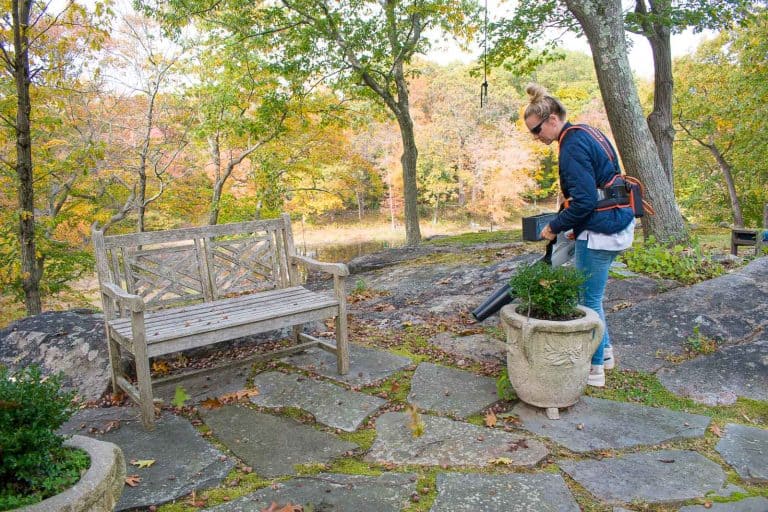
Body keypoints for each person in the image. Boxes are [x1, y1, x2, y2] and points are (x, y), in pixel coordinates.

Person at [524, 83, 635, 387]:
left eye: (536, 130)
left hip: (602, 231)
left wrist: (555, 226)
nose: (537, 138)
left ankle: (594, 368)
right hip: (616, 223)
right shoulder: (588, 132)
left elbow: (585, 200)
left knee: (588, 302)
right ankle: (607, 353)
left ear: (552, 120)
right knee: (595, 297)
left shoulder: (571, 146)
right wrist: (575, 226)